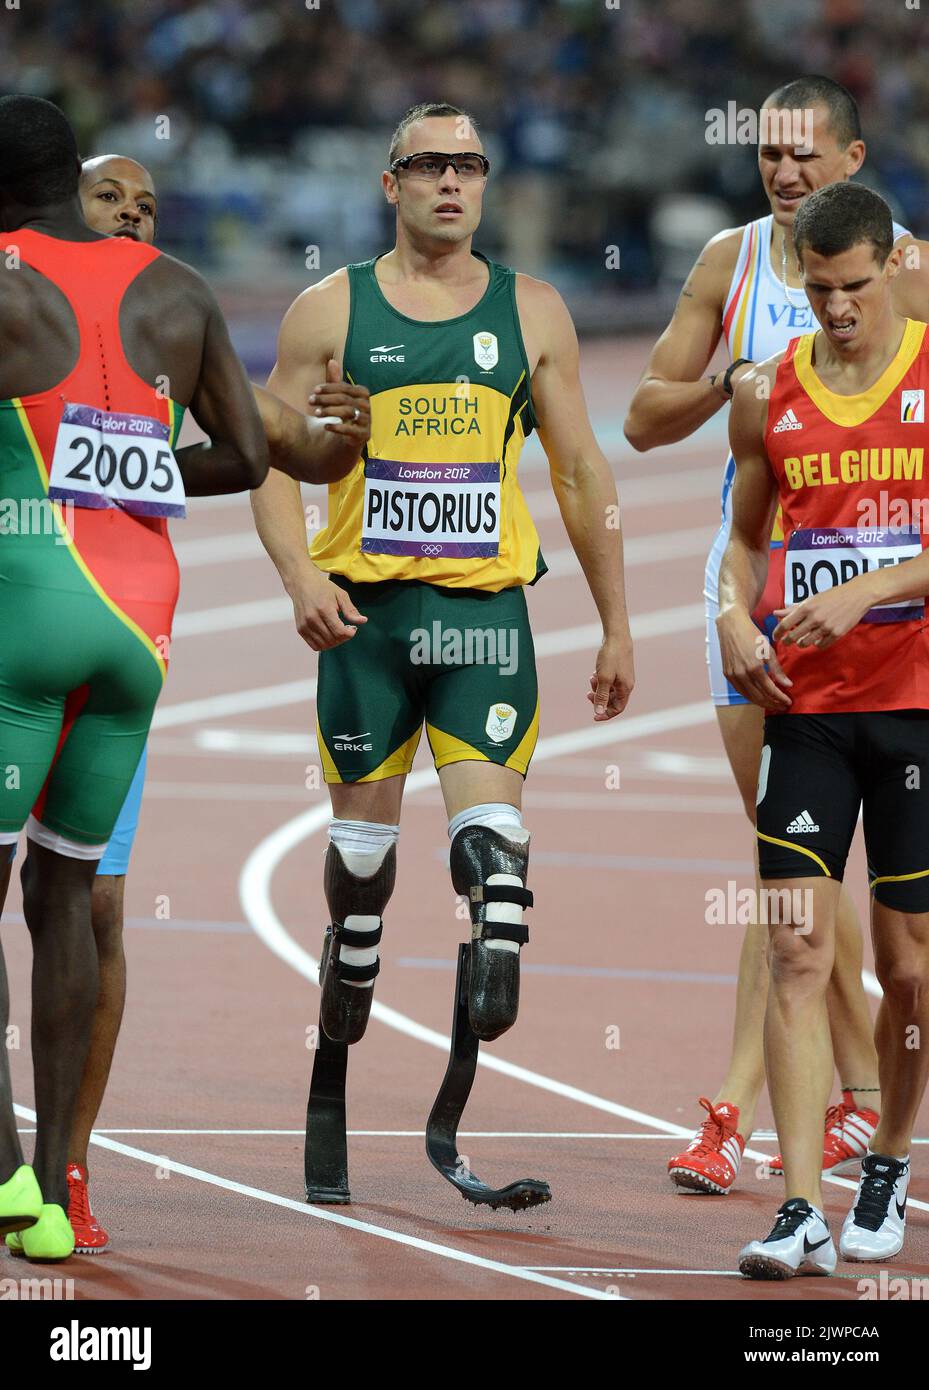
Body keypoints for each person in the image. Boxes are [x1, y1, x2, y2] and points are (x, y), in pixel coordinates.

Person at [0, 97, 361, 1262]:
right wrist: (130, 455)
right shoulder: (174, 287)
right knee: (68, 903)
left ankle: (3, 1170)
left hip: (23, 609)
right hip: (139, 630)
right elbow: (253, 455)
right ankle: (56, 1189)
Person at [250, 102, 633, 1191]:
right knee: (361, 869)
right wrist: (297, 574)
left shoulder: (534, 312)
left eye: (468, 165)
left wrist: (614, 623)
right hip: (364, 626)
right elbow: (271, 455)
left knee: (487, 850)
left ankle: (497, 927)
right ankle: (354, 954)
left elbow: (578, 476)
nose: (451, 183)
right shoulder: (330, 309)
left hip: (481, 624)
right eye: (429, 166)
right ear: (390, 184)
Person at [624, 75, 929, 1194]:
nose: (784, 173)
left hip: (894, 612)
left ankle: (756, 1106)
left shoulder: (909, 268)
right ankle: (829, 1099)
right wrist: (729, 384)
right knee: (790, 871)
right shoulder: (733, 262)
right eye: (766, 156)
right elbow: (642, 419)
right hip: (752, 593)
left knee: (837, 901)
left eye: (804, 156)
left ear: (850, 160)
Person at [720, 181, 929, 1276]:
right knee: (799, 950)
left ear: (892, 264)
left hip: (916, 709)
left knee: (906, 968)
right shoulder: (769, 389)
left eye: (852, 287)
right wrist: (725, 610)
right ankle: (799, 1204)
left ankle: (889, 1153)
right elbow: (743, 537)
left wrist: (875, 585)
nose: (835, 309)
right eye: (816, 290)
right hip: (804, 708)